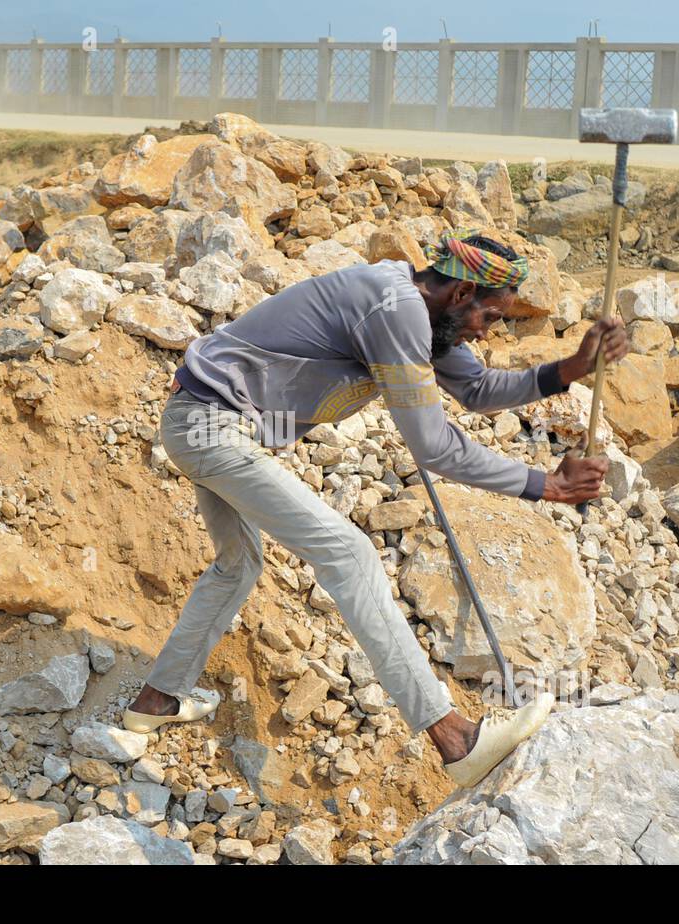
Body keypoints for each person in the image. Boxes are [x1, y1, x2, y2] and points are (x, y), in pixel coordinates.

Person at [123, 229, 629, 789]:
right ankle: (454, 738)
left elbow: (480, 390)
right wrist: (545, 485)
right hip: (211, 426)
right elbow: (434, 446)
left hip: (206, 423)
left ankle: (156, 700)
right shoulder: (396, 309)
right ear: (461, 295)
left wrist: (573, 369)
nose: (487, 333)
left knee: (238, 565)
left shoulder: (421, 313)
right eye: (490, 316)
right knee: (351, 555)